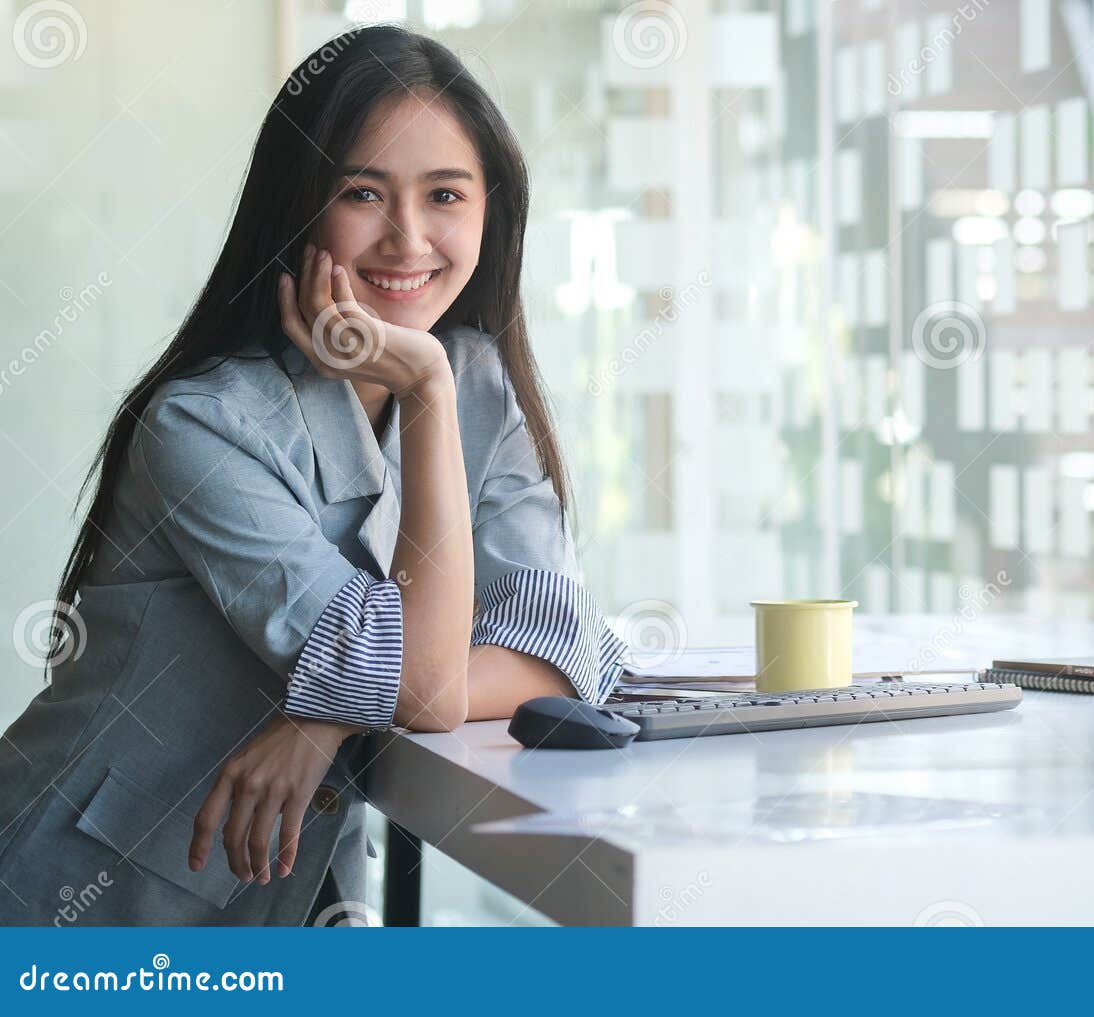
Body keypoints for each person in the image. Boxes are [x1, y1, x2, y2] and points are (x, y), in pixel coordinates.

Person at [0, 25, 625, 926]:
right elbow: (423, 686)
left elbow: (560, 647)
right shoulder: (205, 425)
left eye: (444, 194)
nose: (408, 238)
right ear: (300, 208)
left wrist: (327, 714)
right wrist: (422, 384)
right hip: (69, 901)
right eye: (362, 192)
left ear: (491, 210)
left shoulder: (473, 385)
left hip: (277, 911)